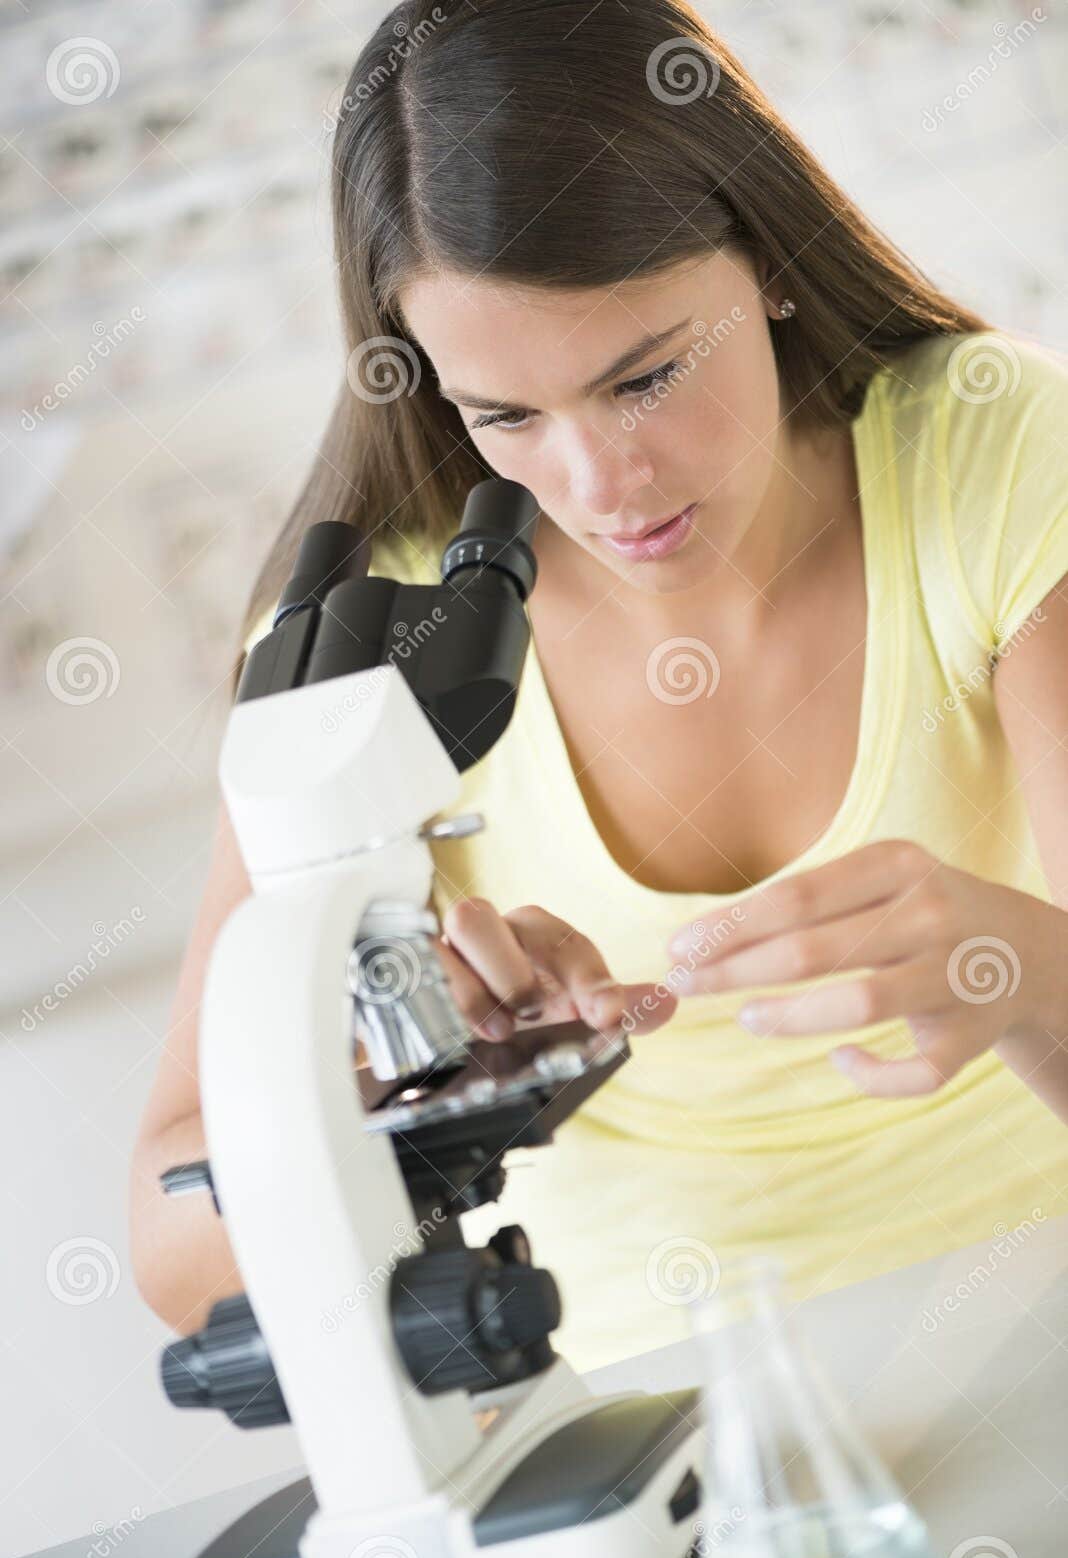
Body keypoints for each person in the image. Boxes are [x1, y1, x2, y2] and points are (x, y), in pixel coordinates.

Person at [130, 0, 1068, 1373]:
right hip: (666, 1400)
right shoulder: (373, 635)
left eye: (646, 376)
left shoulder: (992, 449)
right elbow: (173, 1263)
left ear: (770, 258)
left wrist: (1029, 970)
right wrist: (417, 1083)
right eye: (505, 416)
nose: (600, 483)